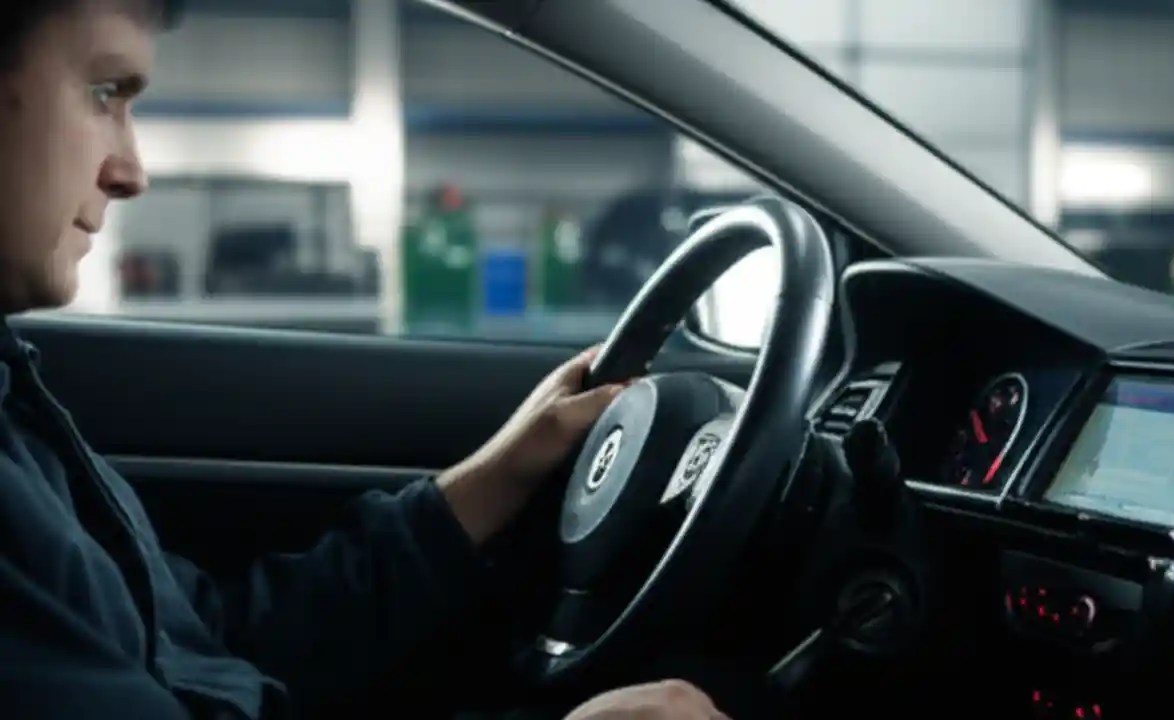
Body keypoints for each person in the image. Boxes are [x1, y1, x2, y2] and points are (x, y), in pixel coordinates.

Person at [0, 2, 731, 718]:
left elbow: (211, 640)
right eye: (104, 93)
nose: (131, 172)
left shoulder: (14, 412)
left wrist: (509, 466)